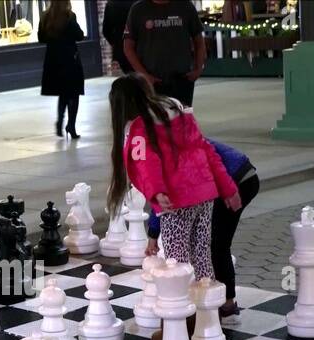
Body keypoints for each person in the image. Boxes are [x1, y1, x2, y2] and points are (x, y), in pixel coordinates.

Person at [108, 73, 239, 292]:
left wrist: (157, 192)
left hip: (176, 199)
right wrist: (227, 188)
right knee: (201, 253)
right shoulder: (177, 111)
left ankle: (181, 308)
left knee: (176, 262)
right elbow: (206, 149)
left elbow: (145, 163)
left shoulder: (140, 126)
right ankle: (207, 306)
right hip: (205, 193)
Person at [147, 139, 260, 321]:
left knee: (216, 244)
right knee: (213, 243)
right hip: (240, 174)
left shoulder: (168, 150)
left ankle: (225, 305)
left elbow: (160, 197)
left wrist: (153, 234)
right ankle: (219, 302)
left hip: (236, 179)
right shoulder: (177, 139)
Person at [122, 0, 207, 107]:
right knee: (154, 116)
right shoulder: (138, 9)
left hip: (182, 79)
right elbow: (128, 48)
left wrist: (198, 68)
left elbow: (199, 41)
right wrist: (144, 75)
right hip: (151, 81)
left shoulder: (186, 6)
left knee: (182, 115)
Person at [39, 0, 85, 139]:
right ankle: (71, 125)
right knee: (73, 93)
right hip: (70, 59)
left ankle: (60, 121)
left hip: (54, 60)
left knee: (63, 92)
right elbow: (79, 36)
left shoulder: (45, 16)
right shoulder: (70, 16)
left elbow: (41, 38)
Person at [101, 0, 136, 74]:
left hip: (121, 46)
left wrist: (115, 44)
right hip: (141, 46)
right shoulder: (141, 3)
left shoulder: (111, 4)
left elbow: (106, 31)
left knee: (129, 75)